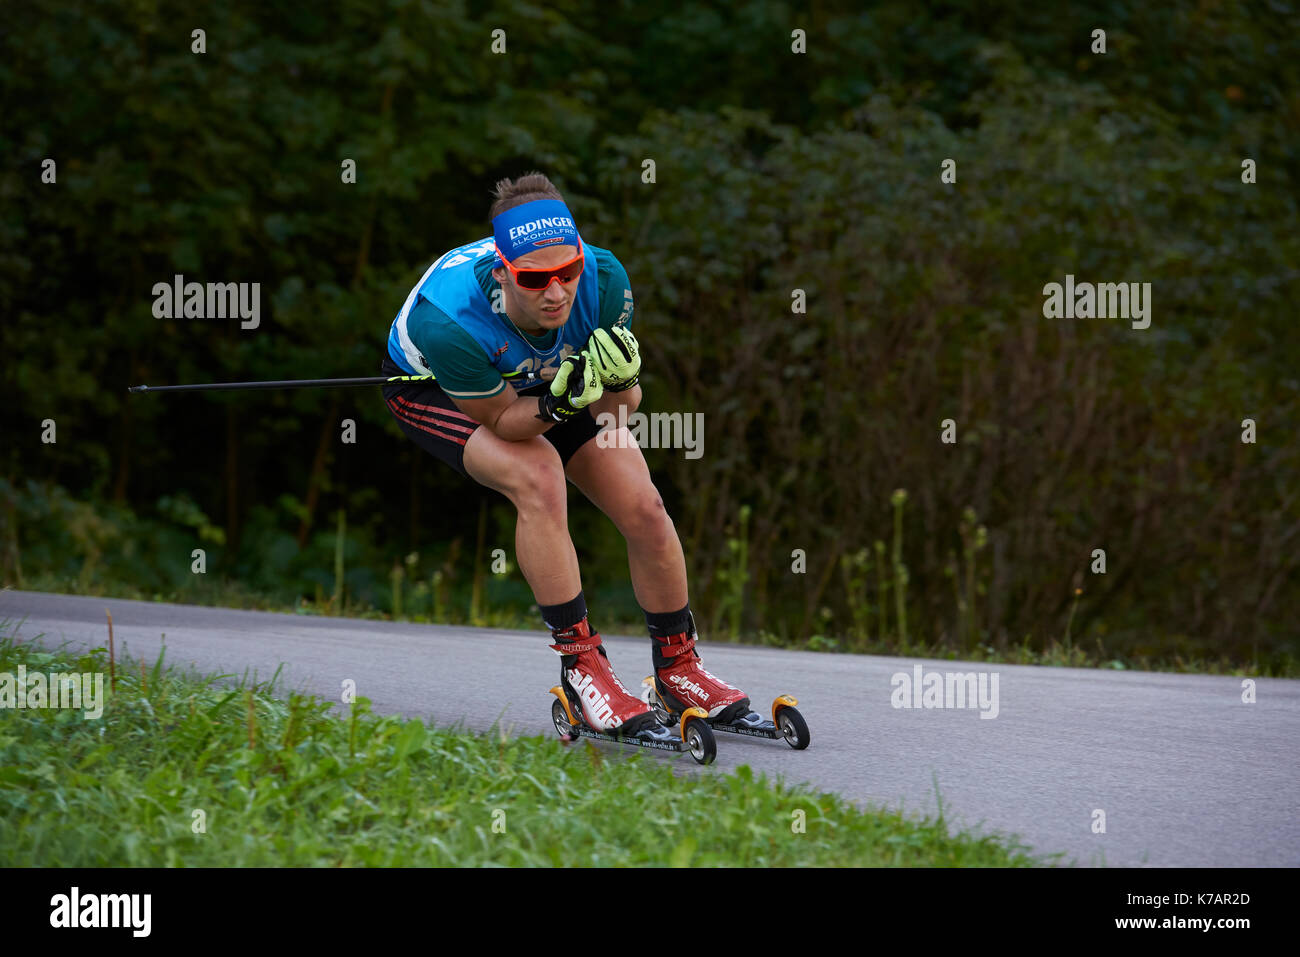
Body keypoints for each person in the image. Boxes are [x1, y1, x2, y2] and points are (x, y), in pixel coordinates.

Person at [381, 171, 760, 741]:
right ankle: (583, 666)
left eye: (567, 272)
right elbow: (507, 421)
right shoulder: (448, 318)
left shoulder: (604, 279)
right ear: (504, 272)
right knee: (538, 475)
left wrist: (624, 380)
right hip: (444, 390)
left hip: (549, 383)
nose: (557, 292)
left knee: (645, 506)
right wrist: (557, 403)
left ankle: (679, 667)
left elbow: (617, 410)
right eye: (535, 280)